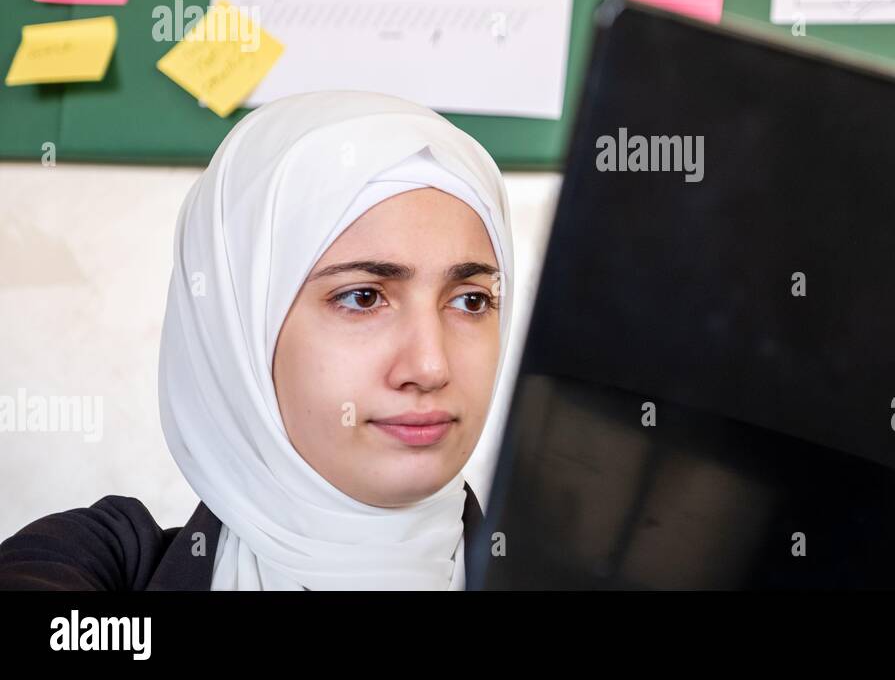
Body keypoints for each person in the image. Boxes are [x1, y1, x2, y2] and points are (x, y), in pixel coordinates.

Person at [0, 90, 514, 590]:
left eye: (471, 301)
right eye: (363, 297)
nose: (430, 366)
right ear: (239, 328)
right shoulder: (97, 560)